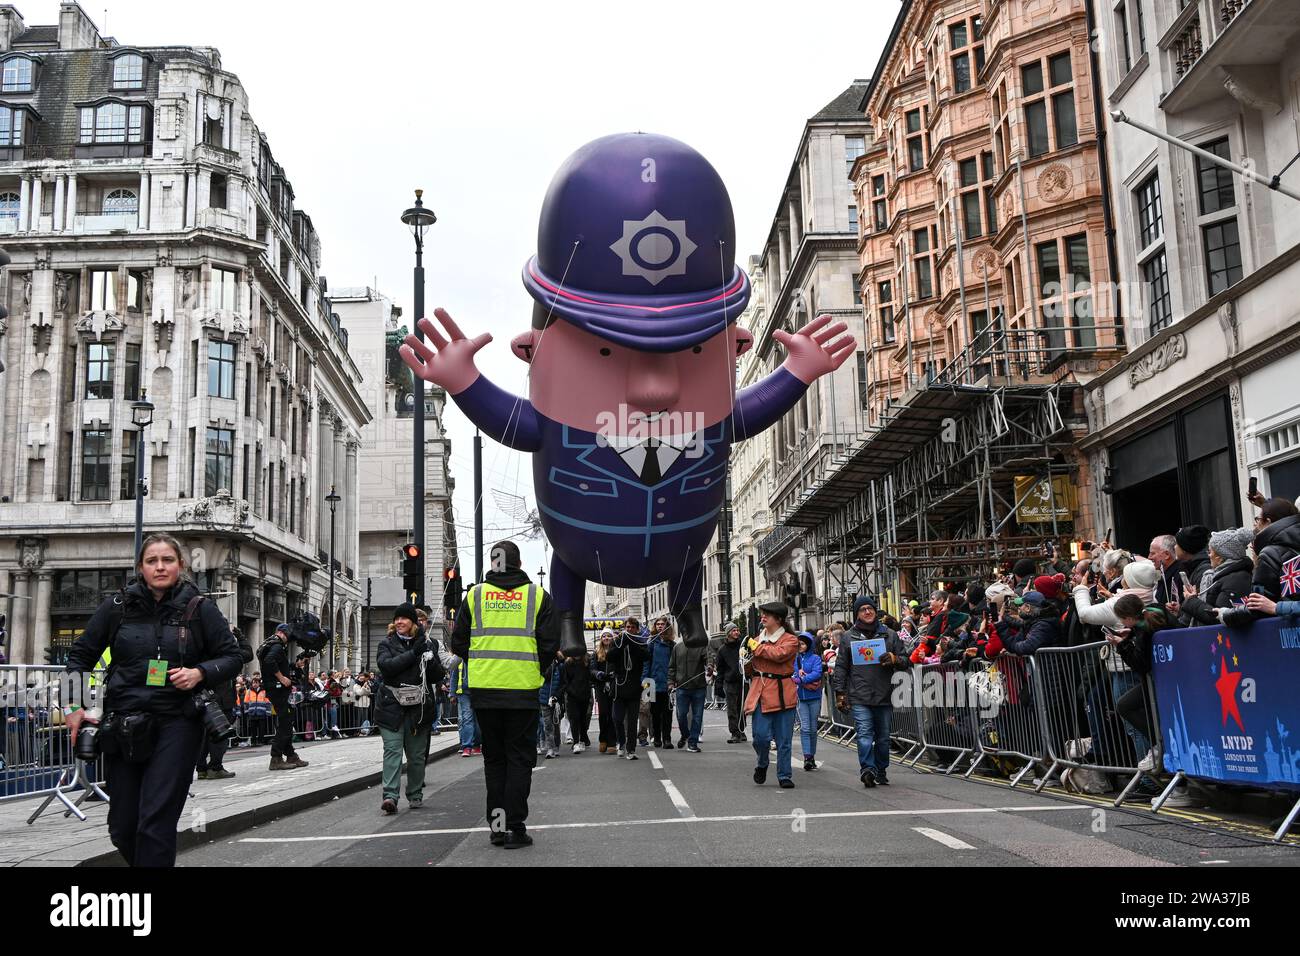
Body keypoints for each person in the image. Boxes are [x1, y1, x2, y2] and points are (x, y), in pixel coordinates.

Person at [64, 533, 242, 867]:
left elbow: (232, 657)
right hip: (123, 724)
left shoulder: (200, 608)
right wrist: (73, 706)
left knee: (155, 823)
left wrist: (200, 673)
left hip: (177, 722)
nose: (160, 567)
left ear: (181, 565)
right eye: (152, 561)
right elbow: (79, 656)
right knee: (122, 827)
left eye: (168, 560)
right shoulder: (117, 606)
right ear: (140, 567)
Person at [449, 540, 558, 849]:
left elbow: (458, 642)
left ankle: (497, 828)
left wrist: (482, 662)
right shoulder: (538, 596)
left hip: (485, 691)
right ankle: (515, 828)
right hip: (523, 691)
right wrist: (537, 670)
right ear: (519, 564)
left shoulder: (475, 595)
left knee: (494, 761)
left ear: (493, 563)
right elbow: (550, 644)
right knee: (520, 760)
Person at [376, 604, 447, 814]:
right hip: (391, 707)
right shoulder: (385, 644)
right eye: (397, 619)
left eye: (404, 619)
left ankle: (415, 794)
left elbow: (436, 676)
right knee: (392, 751)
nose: (399, 622)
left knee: (416, 755)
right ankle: (390, 795)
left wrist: (430, 658)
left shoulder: (427, 643)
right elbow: (387, 668)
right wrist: (413, 654)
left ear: (413, 623)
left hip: (418, 710)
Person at [832, 596, 906, 788]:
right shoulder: (848, 637)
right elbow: (841, 667)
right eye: (862, 609)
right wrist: (840, 693)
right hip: (859, 695)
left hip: (884, 694)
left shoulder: (890, 635)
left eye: (870, 608)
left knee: (882, 737)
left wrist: (895, 658)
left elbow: (906, 660)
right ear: (857, 613)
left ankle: (881, 769)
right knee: (864, 734)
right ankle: (867, 769)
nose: (867, 612)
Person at [744, 602, 799, 789]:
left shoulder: (791, 640)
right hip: (761, 691)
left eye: (767, 614)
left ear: (779, 619)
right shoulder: (757, 638)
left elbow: (778, 654)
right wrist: (745, 660)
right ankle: (762, 763)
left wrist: (755, 648)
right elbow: (751, 667)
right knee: (760, 737)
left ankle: (784, 775)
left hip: (783, 692)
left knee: (784, 739)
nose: (763, 617)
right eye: (762, 614)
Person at [196, 624, 253, 779]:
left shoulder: (200, 649)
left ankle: (201, 768)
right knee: (221, 733)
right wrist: (239, 635)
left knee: (205, 734)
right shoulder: (226, 652)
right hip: (222, 698)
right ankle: (215, 767)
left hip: (204, 697)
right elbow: (248, 654)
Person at [259, 624, 310, 771]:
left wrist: (295, 665)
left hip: (275, 689)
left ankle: (291, 755)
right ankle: (276, 758)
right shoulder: (276, 645)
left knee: (285, 722)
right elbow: (270, 661)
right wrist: (282, 678)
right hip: (278, 689)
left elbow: (280, 663)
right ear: (282, 633)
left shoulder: (270, 643)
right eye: (287, 636)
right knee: (286, 724)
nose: (288, 640)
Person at [1179, 528, 1255, 625]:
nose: (1208, 556)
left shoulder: (1236, 579)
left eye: (1210, 552)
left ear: (1220, 557)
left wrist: (1191, 601)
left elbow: (1217, 617)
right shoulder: (1223, 576)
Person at [607, 618, 649, 758]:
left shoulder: (640, 642)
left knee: (632, 721)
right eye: (627, 627)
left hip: (634, 687)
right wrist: (622, 644)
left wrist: (633, 643)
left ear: (637, 629)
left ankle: (631, 749)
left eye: (632, 627)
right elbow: (609, 657)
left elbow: (646, 656)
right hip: (619, 686)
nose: (629, 629)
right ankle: (621, 742)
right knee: (617, 718)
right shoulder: (617, 642)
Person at [669, 624, 708, 751]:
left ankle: (693, 742)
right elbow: (672, 667)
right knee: (681, 715)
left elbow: (708, 659)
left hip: (699, 687)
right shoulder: (677, 647)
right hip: (682, 688)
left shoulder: (701, 646)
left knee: (697, 717)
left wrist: (710, 666)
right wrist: (670, 682)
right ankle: (685, 734)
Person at [791, 632, 823, 771]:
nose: (800, 646)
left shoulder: (815, 658)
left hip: (814, 696)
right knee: (805, 728)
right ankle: (807, 757)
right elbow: (793, 674)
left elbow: (818, 673)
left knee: (813, 728)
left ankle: (812, 755)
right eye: (799, 644)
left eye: (803, 644)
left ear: (808, 644)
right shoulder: (796, 659)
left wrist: (803, 678)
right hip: (802, 698)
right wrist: (798, 676)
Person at [643, 616, 675, 748]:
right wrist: (644, 683)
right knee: (654, 713)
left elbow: (675, 665)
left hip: (668, 683)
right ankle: (656, 738)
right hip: (651, 683)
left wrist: (674, 681)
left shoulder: (672, 645)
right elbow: (646, 664)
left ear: (667, 626)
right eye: (658, 624)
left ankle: (667, 739)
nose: (660, 626)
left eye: (662, 624)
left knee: (668, 712)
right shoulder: (651, 644)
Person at [714, 624, 746, 743]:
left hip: (743, 680)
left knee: (741, 707)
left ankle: (741, 730)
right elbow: (720, 669)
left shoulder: (743, 646)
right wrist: (718, 686)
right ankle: (734, 733)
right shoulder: (722, 650)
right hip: (730, 682)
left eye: (738, 630)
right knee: (732, 708)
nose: (737, 632)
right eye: (734, 630)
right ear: (728, 633)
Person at [558, 647, 593, 753]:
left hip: (584, 694)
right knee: (574, 718)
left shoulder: (587, 662)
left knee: (583, 718)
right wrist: (570, 691)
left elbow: (589, 677)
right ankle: (576, 742)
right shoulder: (568, 664)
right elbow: (565, 680)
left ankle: (582, 739)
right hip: (572, 695)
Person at [448, 652, 482, 757]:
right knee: (467, 718)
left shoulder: (479, 655)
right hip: (464, 693)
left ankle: (476, 745)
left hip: (478, 692)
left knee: (478, 720)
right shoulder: (460, 658)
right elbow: (454, 676)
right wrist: (452, 693)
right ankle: (467, 746)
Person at [591, 629, 617, 753]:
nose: (606, 638)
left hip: (614, 686)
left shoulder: (616, 651)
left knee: (613, 715)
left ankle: (612, 741)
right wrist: (598, 674)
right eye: (604, 636)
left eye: (609, 636)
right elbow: (592, 669)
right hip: (601, 687)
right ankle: (603, 739)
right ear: (601, 639)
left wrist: (614, 675)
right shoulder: (596, 653)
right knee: (603, 714)